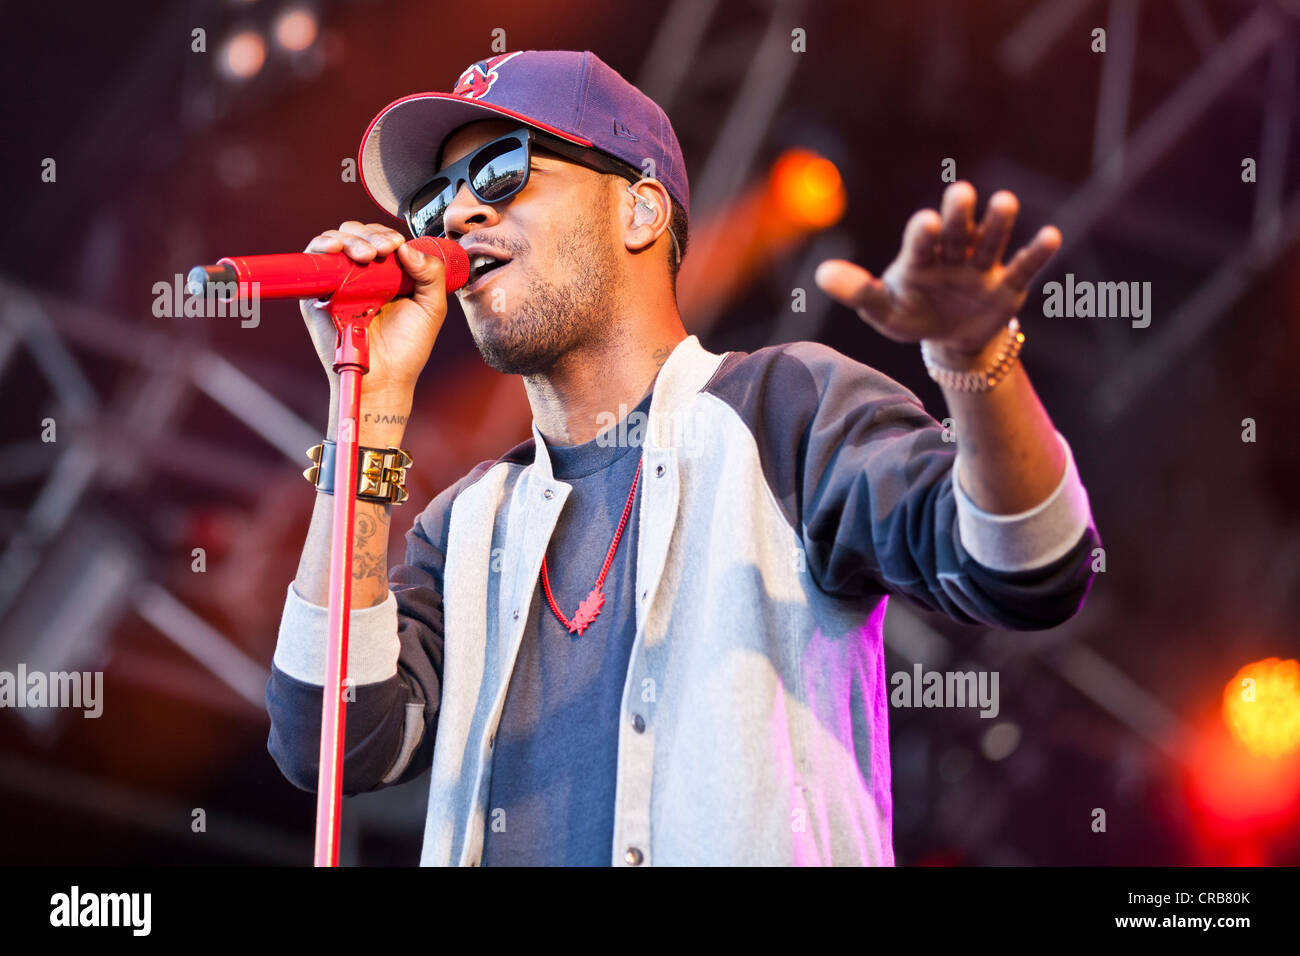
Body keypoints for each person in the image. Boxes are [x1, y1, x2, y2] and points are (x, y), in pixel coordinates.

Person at [266, 50, 1100, 866]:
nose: (455, 218)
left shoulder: (783, 411)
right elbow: (328, 742)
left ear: (641, 211)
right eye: (432, 202)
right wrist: (366, 413)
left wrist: (976, 361)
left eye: (500, 172)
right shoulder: (467, 524)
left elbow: (1028, 571)